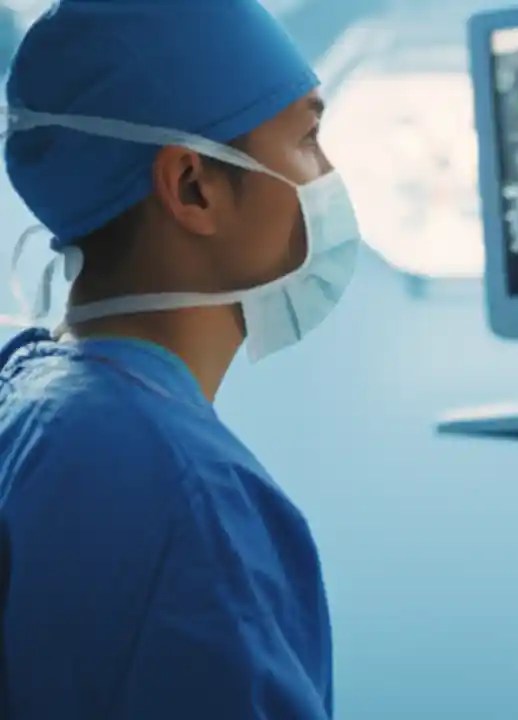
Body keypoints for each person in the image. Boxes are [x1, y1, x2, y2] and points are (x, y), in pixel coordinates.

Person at [0, 1, 361, 717]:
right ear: (194, 186)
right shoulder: (184, 493)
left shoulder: (28, 400)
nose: (328, 175)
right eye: (308, 139)